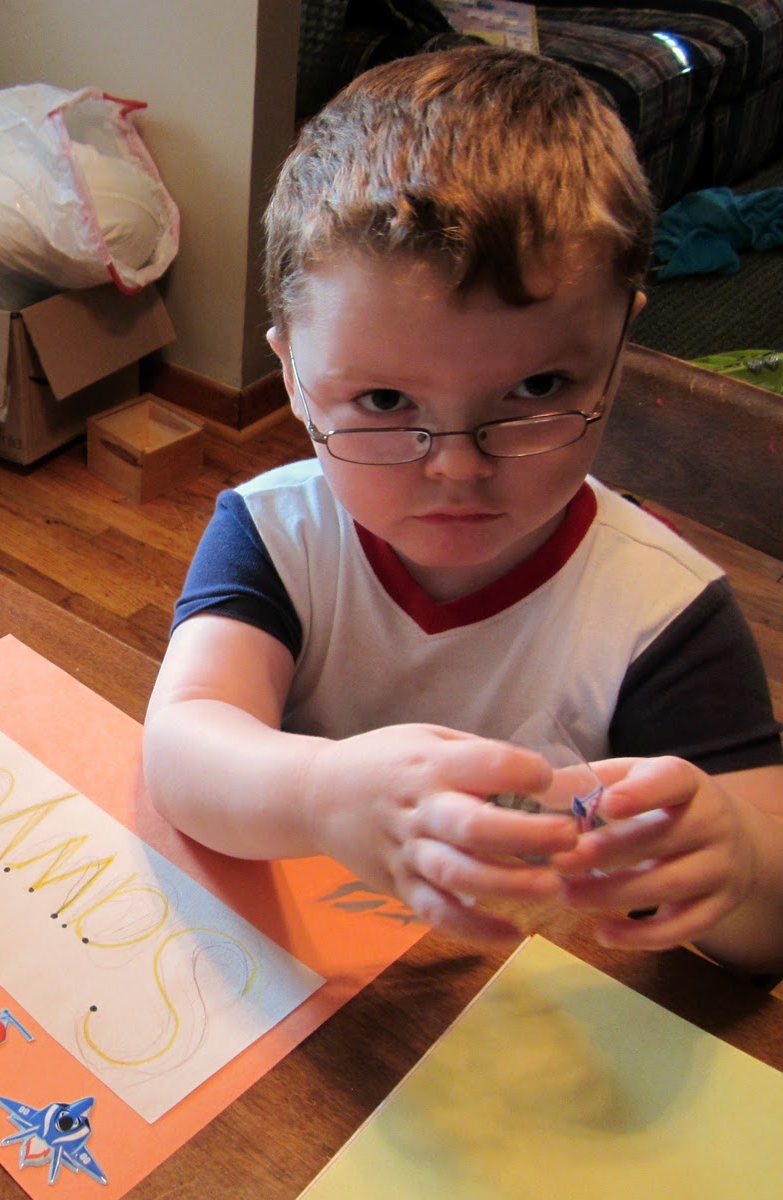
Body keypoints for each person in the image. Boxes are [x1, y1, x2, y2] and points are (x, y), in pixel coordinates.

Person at [143, 46, 783, 974]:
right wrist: (326, 796)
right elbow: (183, 751)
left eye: (534, 386)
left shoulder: (662, 613)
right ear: (290, 373)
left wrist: (735, 860)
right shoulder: (274, 535)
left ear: (616, 351)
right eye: (386, 402)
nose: (456, 468)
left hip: (524, 1020)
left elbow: (768, 933)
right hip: (302, 986)